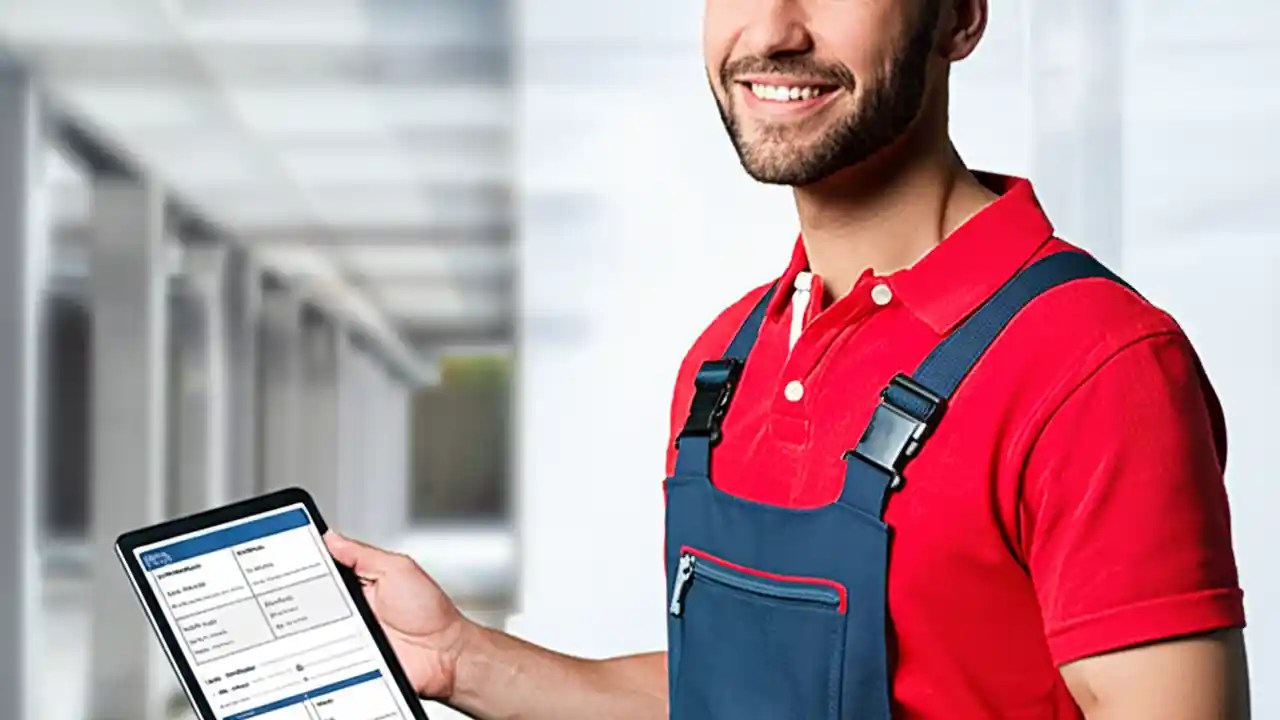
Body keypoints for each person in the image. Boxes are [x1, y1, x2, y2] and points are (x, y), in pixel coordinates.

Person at [325, 0, 1251, 716]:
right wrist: (462, 659)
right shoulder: (724, 365)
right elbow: (736, 698)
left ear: (960, 18)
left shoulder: (1095, 366)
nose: (773, 31)